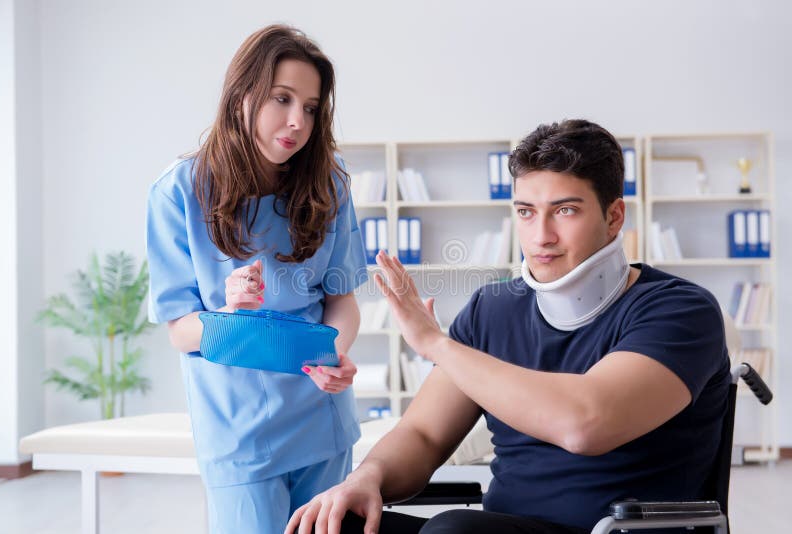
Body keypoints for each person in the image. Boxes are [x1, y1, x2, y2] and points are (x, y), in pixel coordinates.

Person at [286, 119, 730, 534]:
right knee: (326, 523)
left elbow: (586, 423)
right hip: (501, 528)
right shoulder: (492, 310)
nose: (541, 236)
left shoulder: (681, 310)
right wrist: (368, 477)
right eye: (525, 212)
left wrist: (437, 345)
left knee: (452, 530)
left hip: (613, 529)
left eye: (565, 210)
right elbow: (423, 434)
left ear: (614, 216)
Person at [145, 25, 368, 534]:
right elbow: (181, 331)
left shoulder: (328, 184)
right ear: (241, 95)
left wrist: (335, 352)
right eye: (281, 99)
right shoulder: (178, 192)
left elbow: (342, 301)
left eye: (311, 108)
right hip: (237, 430)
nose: (297, 122)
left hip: (321, 415)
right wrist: (226, 315)